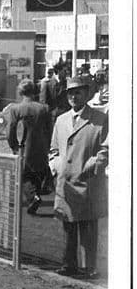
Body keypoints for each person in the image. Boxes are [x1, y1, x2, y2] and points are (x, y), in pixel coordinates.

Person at [48, 77, 108, 278]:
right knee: (68, 225)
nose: (73, 96)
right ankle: (69, 265)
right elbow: (54, 149)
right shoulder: (61, 120)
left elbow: (106, 149)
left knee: (88, 227)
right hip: (66, 183)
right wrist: (56, 165)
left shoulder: (99, 118)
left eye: (78, 92)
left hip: (88, 182)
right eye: (70, 93)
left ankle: (90, 267)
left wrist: (92, 165)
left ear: (87, 94)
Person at [4, 79, 52, 214]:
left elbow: (10, 131)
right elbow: (49, 129)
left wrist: (13, 146)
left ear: (20, 92)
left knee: (24, 175)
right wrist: (48, 146)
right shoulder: (44, 108)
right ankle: (35, 196)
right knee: (37, 173)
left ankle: (33, 197)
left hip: (23, 148)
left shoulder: (15, 109)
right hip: (41, 148)